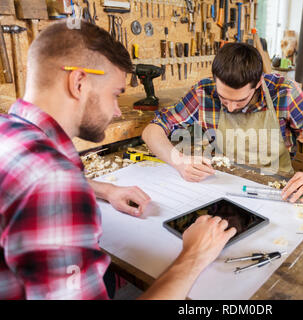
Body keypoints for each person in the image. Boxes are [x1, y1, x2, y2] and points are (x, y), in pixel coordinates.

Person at [0, 20, 235, 300]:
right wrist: (194, 255)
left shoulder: (9, 132)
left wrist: (104, 189)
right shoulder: (56, 182)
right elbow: (51, 186)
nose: (117, 113)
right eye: (115, 95)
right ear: (78, 83)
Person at [142, 43, 303, 203]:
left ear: (257, 84)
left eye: (239, 100)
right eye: (224, 99)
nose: (230, 108)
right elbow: (153, 130)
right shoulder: (204, 92)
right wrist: (178, 161)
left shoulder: (285, 93)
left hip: (277, 192)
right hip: (223, 187)